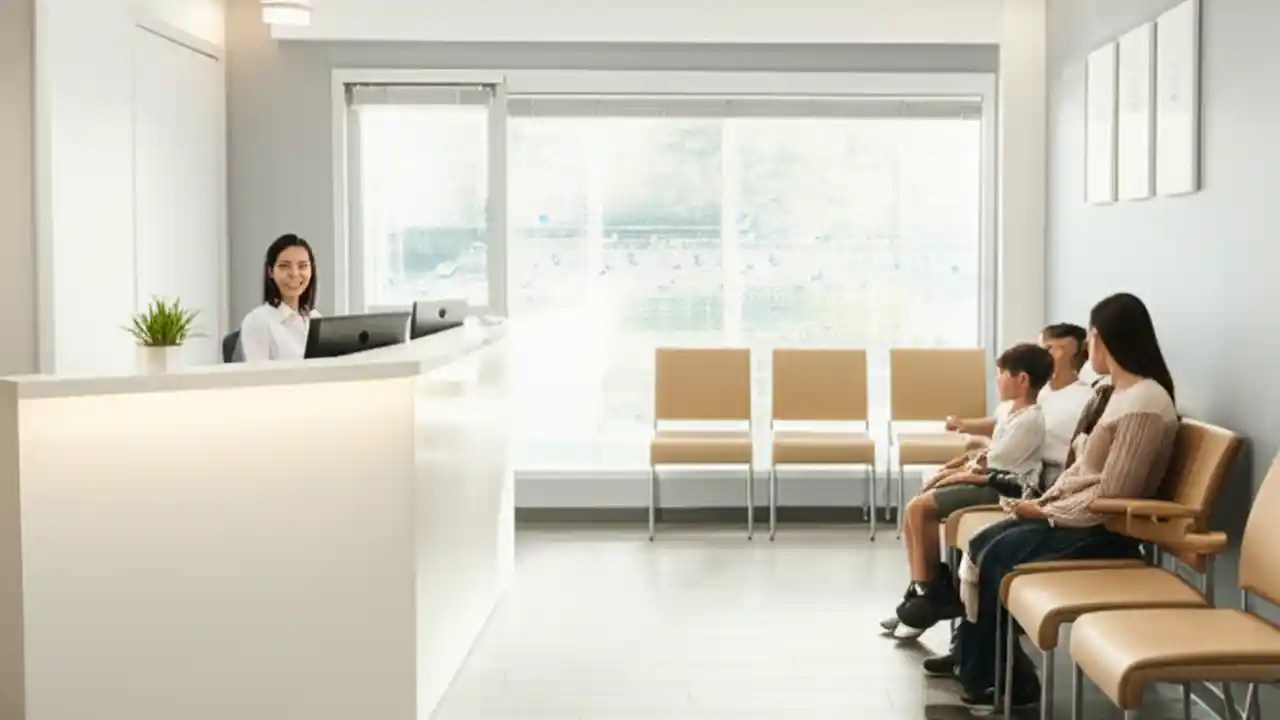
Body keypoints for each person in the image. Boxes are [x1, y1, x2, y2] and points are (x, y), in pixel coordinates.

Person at [936, 293, 1179, 710]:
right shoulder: (1115, 393)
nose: (1088, 348)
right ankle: (984, 669)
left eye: (1091, 338)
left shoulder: (1144, 402)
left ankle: (992, 676)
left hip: (1103, 530)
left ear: (1101, 339)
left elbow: (1115, 493)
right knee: (982, 545)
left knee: (994, 553)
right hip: (1077, 517)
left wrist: (1047, 511)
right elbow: (1083, 471)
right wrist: (1043, 502)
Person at [882, 324, 1094, 639]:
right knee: (917, 507)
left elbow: (998, 468)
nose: (1046, 352)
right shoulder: (1023, 407)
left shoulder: (1075, 400)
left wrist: (953, 473)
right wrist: (956, 461)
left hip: (1011, 486)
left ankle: (928, 597)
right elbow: (995, 447)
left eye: (1054, 347)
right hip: (998, 473)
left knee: (921, 507)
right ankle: (922, 591)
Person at [239, 234, 320, 362]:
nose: (294, 273)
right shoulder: (257, 321)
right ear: (271, 272)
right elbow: (258, 377)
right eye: (284, 266)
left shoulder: (315, 318)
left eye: (303, 266)